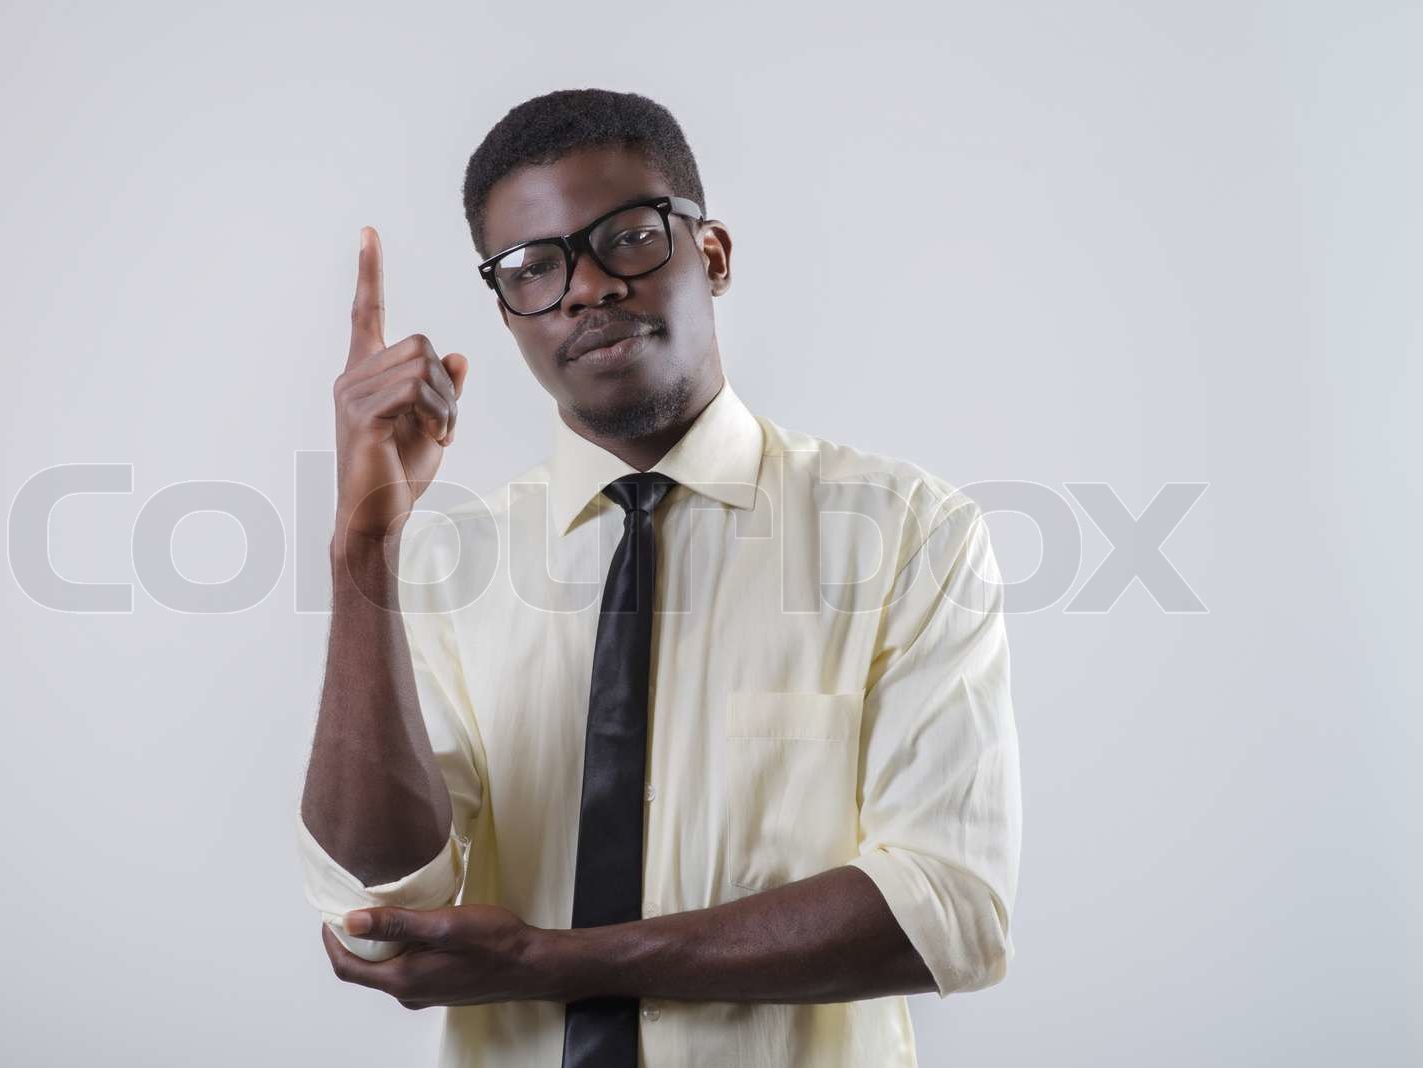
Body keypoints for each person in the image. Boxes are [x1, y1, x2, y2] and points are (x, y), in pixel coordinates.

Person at [297, 88, 1022, 1068]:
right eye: (533, 266)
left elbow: (947, 908)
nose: (586, 287)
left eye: (627, 237)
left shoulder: (905, 533)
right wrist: (363, 551)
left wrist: (552, 962)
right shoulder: (442, 569)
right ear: (507, 312)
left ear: (711, 254)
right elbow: (385, 901)